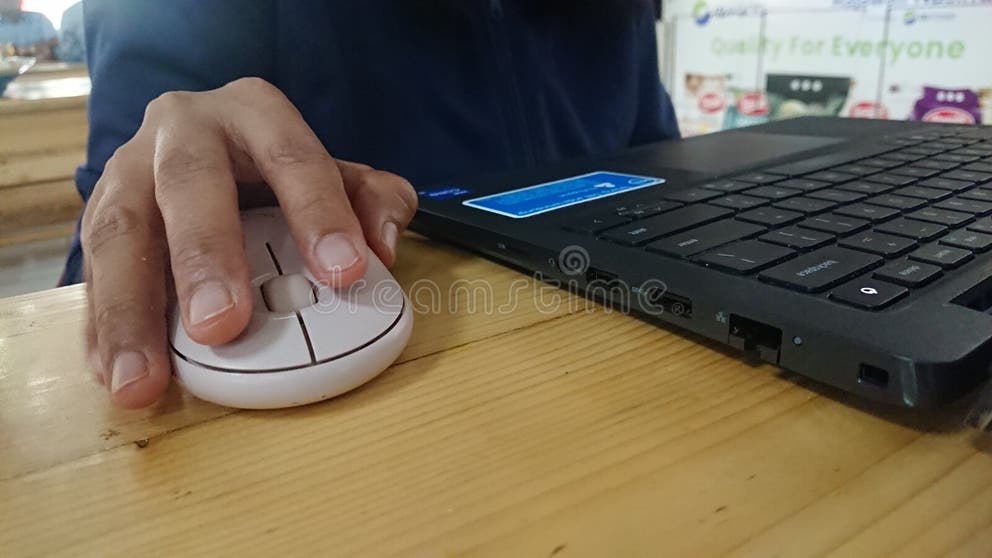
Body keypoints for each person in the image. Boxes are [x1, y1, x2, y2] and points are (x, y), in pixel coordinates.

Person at [71, 0, 680, 408]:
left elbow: (661, 168)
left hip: (620, 365)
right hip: (420, 409)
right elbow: (108, 259)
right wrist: (185, 196)